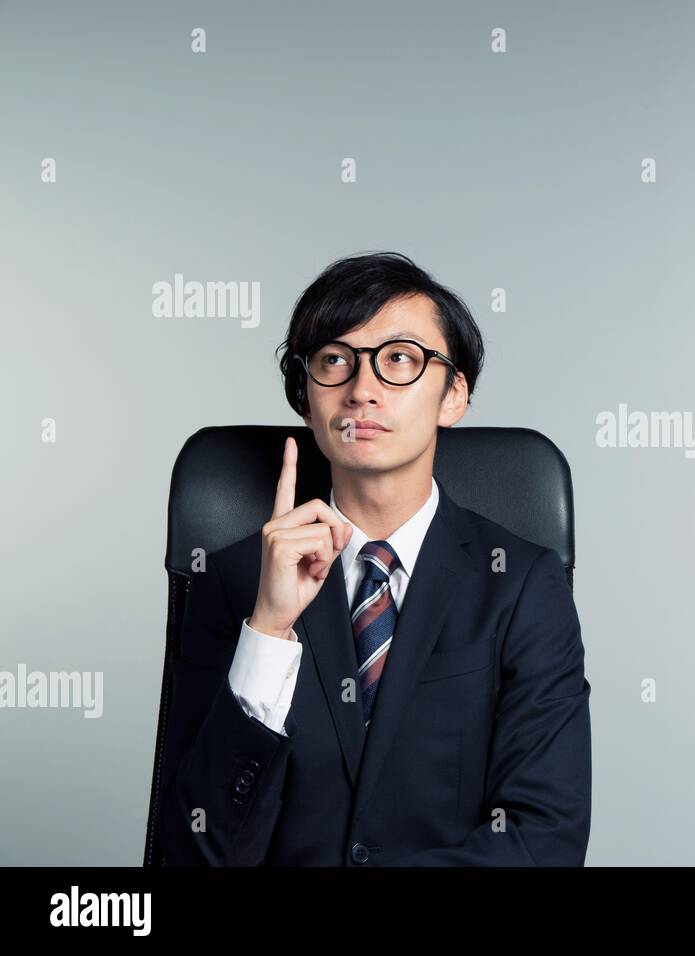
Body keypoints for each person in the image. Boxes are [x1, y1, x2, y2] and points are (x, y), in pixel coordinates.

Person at [157, 252, 592, 865]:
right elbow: (192, 852)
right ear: (306, 400)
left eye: (399, 361)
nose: (363, 390)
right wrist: (269, 632)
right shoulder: (232, 582)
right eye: (335, 360)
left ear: (453, 395)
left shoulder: (522, 585)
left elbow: (544, 840)